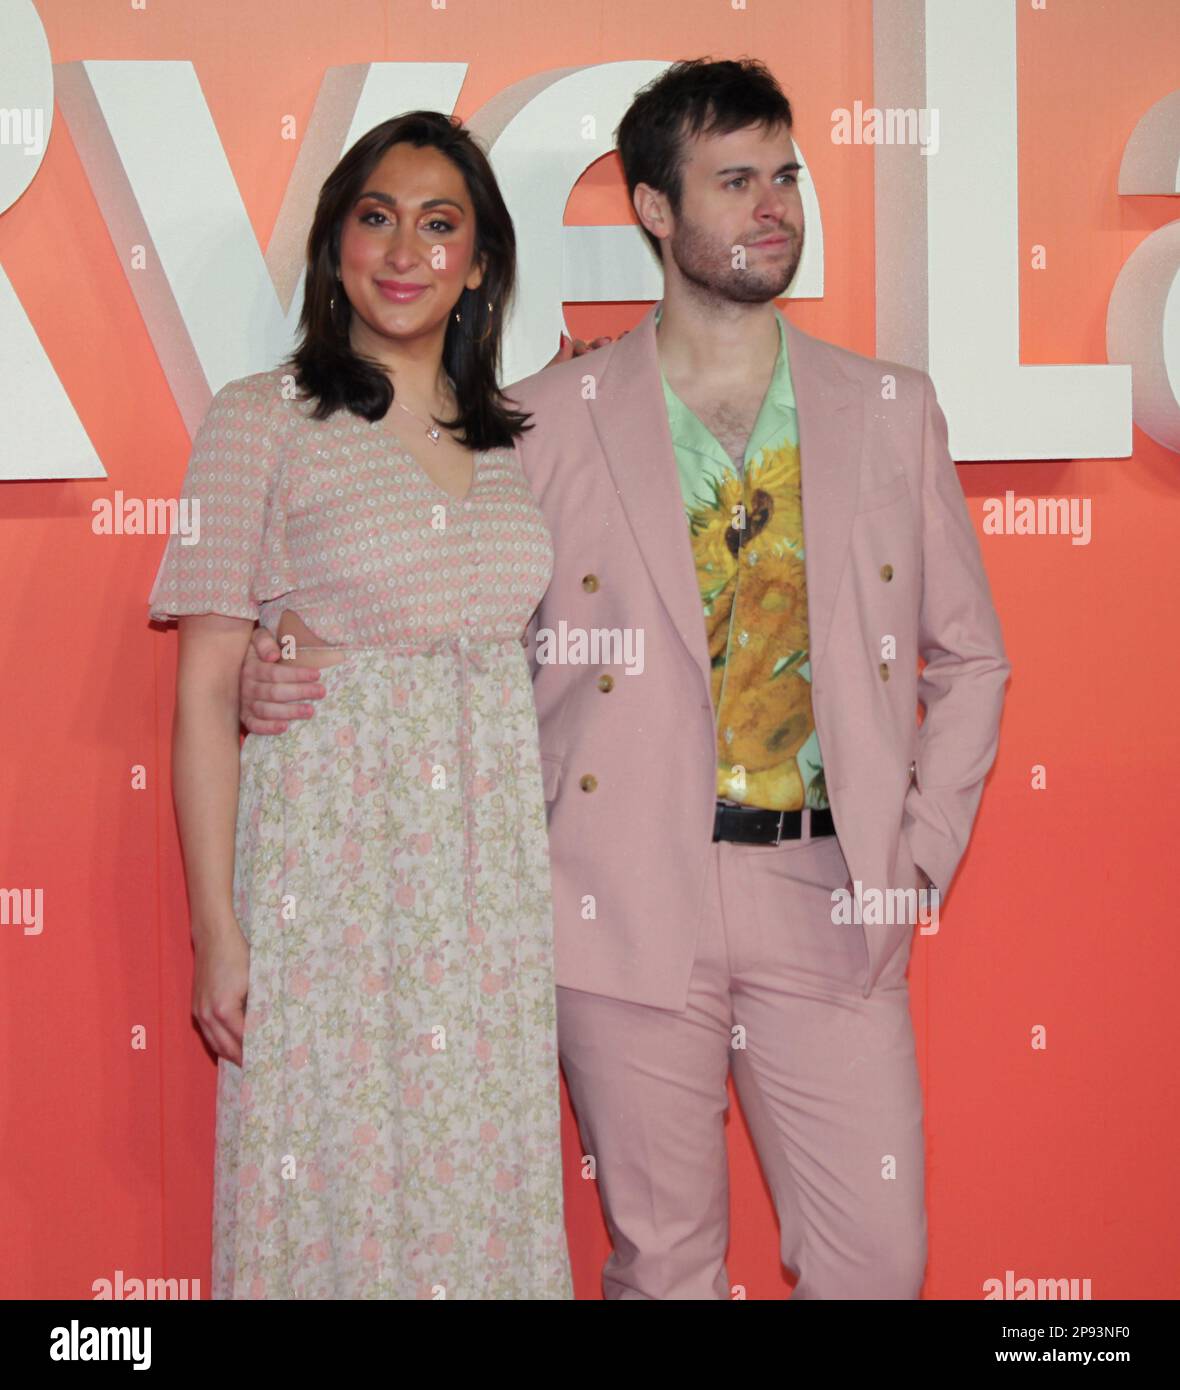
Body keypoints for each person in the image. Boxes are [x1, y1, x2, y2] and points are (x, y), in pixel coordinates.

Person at [241, 59, 1010, 1300]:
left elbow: (970, 653)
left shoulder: (888, 408)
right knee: (665, 1268)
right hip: (616, 898)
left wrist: (913, 855)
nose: (773, 208)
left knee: (879, 1261)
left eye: (784, 177)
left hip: (830, 889)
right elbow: (454, 619)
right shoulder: (540, 422)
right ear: (654, 210)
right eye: (735, 182)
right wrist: (276, 666)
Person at [148, 111, 573, 1300]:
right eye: (375, 217)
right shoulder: (259, 417)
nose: (404, 250)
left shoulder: (508, 438)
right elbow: (199, 695)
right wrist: (219, 930)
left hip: (485, 888)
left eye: (441, 225)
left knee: (478, 1172)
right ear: (335, 243)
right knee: (326, 1178)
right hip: (328, 878)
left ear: (480, 261)